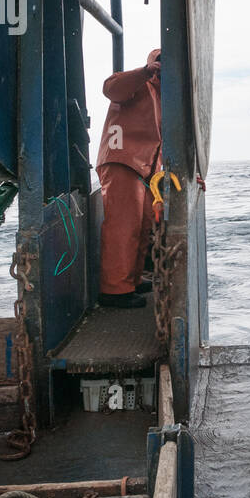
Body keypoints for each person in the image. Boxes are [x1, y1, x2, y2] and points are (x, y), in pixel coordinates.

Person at [95, 49, 162, 309]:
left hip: (144, 169)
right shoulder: (138, 83)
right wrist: (147, 71)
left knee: (143, 226)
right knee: (123, 228)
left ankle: (131, 280)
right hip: (122, 161)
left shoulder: (164, 96)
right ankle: (115, 291)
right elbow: (111, 88)